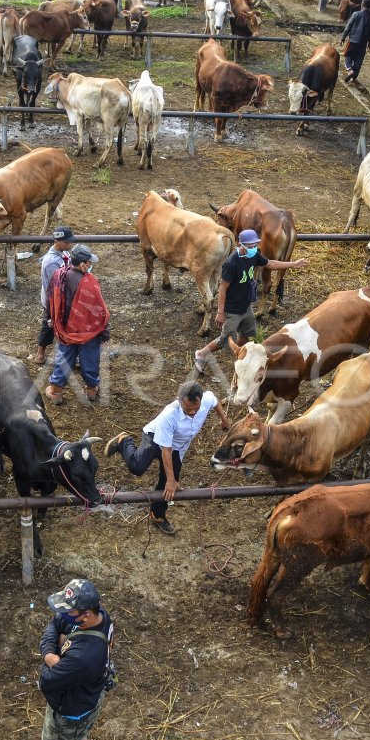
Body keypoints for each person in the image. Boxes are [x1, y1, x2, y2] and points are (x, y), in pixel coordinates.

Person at [103, 381, 230, 535]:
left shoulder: (206, 399)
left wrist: (224, 419)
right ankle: (124, 441)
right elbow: (166, 450)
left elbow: (215, 400)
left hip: (176, 447)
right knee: (137, 467)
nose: (192, 412)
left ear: (200, 400)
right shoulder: (169, 415)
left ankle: (157, 514)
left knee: (168, 486)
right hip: (155, 438)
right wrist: (171, 479)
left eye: (195, 409)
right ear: (180, 401)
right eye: (187, 409)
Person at [194, 229, 309, 369]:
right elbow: (222, 288)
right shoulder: (231, 263)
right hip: (233, 309)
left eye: (255, 245)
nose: (253, 248)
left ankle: (242, 359)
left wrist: (294, 264)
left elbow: (270, 264)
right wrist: (220, 312)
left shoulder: (254, 255)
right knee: (225, 339)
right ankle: (201, 353)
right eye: (249, 246)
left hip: (246, 305)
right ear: (240, 245)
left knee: (245, 334)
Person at [38, 578, 114, 740]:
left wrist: (52, 657)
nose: (63, 613)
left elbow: (46, 681)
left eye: (68, 610)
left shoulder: (83, 657)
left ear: (86, 614)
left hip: (68, 717)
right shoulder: (100, 615)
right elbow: (55, 622)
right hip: (89, 700)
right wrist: (50, 654)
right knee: (79, 738)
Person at [46, 244, 110, 406]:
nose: (90, 265)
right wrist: (105, 331)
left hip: (65, 328)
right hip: (87, 330)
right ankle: (91, 389)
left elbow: (50, 299)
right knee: (90, 357)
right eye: (89, 262)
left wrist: (50, 319)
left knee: (64, 357)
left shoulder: (58, 275)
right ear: (82, 264)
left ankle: (56, 392)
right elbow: (98, 310)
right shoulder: (89, 282)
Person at [35, 226, 77, 366]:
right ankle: (42, 355)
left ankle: (41, 355)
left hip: (58, 298)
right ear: (57, 241)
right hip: (53, 299)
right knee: (51, 324)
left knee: (50, 324)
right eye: (67, 242)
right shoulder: (51, 262)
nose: (70, 245)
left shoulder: (64, 252)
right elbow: (58, 284)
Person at [339, 1, 370, 84]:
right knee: (359, 59)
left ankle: (350, 70)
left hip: (353, 40)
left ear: (362, 5)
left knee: (348, 55)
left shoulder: (356, 14)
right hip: (363, 43)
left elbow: (348, 27)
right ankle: (353, 78)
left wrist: (343, 38)